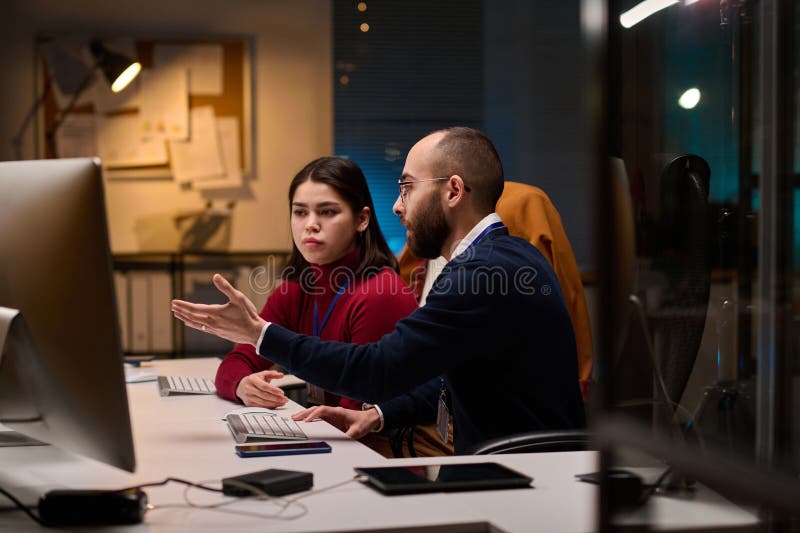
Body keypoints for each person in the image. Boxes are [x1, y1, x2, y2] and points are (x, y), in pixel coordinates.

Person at [173, 127, 586, 454]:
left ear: (453, 191)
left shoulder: (481, 273)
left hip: (524, 475)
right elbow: (446, 376)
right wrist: (379, 416)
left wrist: (260, 334)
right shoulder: (505, 257)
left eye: (407, 188)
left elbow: (379, 371)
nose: (397, 206)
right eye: (300, 212)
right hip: (521, 465)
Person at [212, 156, 432, 455]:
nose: (311, 225)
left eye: (327, 212)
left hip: (375, 458)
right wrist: (241, 385)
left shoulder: (381, 293)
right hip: (327, 444)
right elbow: (237, 362)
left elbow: (356, 409)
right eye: (300, 212)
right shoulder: (297, 288)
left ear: (362, 220)